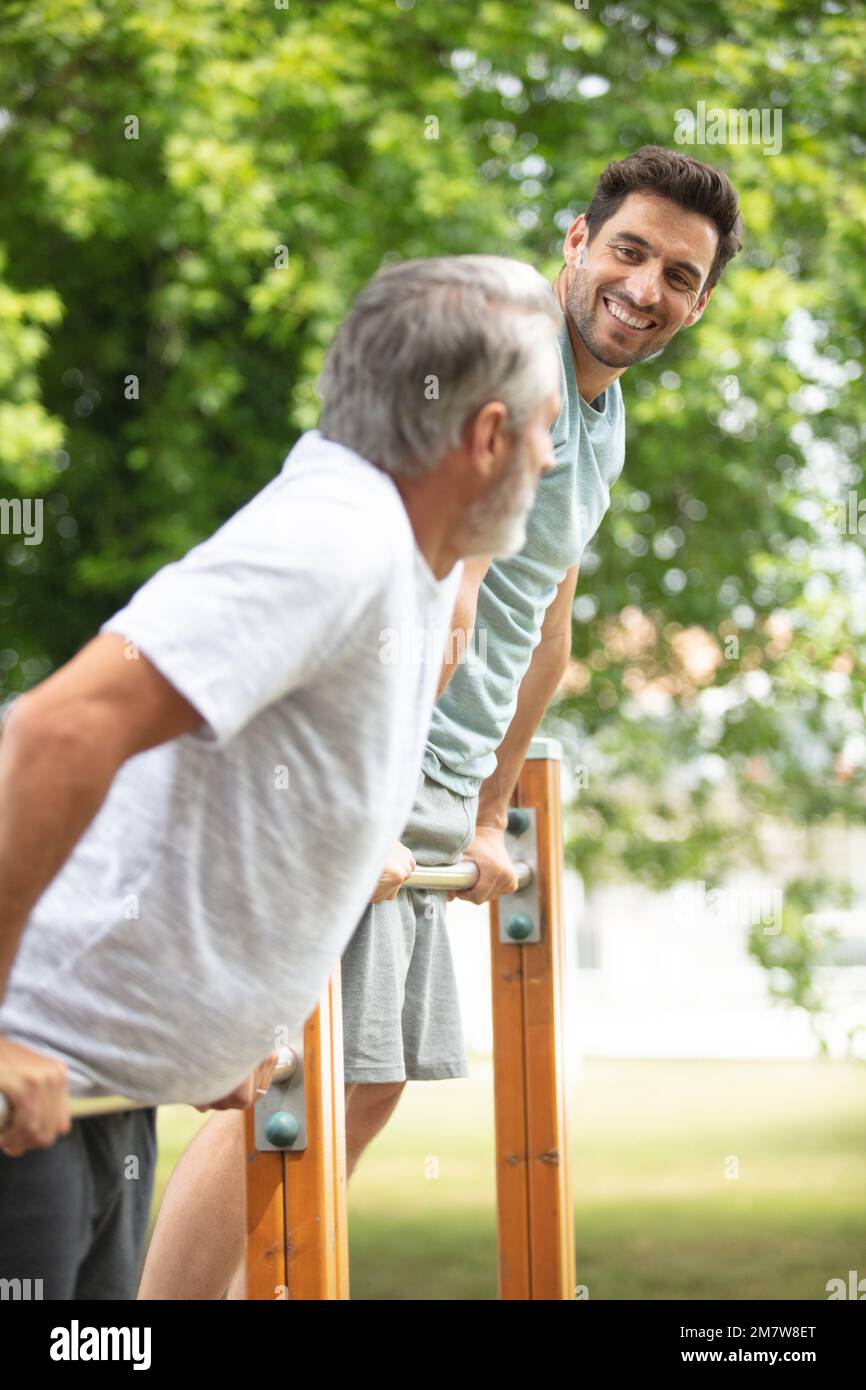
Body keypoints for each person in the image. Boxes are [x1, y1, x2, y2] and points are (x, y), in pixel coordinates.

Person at [139, 146, 744, 1301]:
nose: (644, 288)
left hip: (431, 782)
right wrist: (367, 792)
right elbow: (440, 558)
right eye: (627, 251)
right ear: (575, 242)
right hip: (366, 757)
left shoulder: (602, 422)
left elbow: (546, 635)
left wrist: (484, 816)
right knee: (293, 1082)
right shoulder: (512, 337)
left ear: (698, 301)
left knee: (362, 1086)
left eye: (677, 274)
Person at [0, 254, 564, 1300]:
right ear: (485, 436)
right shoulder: (333, 545)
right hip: (26, 1089)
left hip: (100, 1099)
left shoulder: (397, 562)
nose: (545, 455)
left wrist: (219, 1030)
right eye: (539, 430)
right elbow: (54, 733)